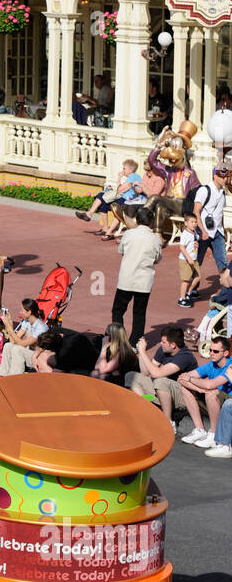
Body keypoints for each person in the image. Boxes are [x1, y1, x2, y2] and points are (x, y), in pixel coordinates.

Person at [110, 206, 163, 345]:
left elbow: (121, 250)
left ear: (137, 220)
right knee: (139, 313)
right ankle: (134, 344)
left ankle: (118, 339)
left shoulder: (128, 234)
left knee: (118, 310)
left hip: (126, 278)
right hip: (144, 280)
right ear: (151, 222)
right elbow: (158, 258)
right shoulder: (155, 239)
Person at [126, 325, 198, 425]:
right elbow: (145, 373)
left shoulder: (185, 356)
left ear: (173, 345)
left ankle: (168, 422)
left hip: (183, 397)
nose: (161, 343)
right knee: (131, 376)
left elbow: (156, 373)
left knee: (160, 381)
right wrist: (142, 353)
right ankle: (147, 404)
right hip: (164, 392)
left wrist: (142, 352)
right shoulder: (163, 350)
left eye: (164, 342)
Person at [177, 335, 232, 447]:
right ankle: (200, 430)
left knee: (212, 392)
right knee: (185, 388)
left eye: (215, 351)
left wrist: (192, 380)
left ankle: (213, 435)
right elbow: (181, 378)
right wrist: (200, 390)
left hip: (228, 405)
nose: (211, 353)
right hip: (214, 401)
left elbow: (210, 384)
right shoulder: (211, 364)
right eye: (210, 350)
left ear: (225, 353)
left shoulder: (230, 366)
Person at [76, 160, 143, 235]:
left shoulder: (133, 177)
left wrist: (119, 178)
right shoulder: (133, 177)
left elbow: (119, 190)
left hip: (127, 201)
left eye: (124, 168)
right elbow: (120, 190)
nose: (122, 170)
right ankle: (102, 226)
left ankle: (91, 215)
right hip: (123, 198)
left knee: (102, 197)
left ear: (130, 170)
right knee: (102, 202)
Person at [193, 166, 230, 277]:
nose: (225, 179)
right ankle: (192, 291)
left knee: (223, 263)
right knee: (197, 262)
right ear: (215, 176)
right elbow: (196, 211)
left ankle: (226, 290)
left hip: (218, 231)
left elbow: (219, 213)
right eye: (222, 177)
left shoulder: (222, 192)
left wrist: (222, 230)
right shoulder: (204, 190)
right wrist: (202, 231)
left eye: (227, 177)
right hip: (203, 230)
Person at [0, 299, 50, 376]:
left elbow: (22, 344)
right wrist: (10, 325)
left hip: (38, 356)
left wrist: (9, 328)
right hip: (29, 352)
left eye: (22, 310)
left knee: (17, 349)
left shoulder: (41, 327)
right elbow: (13, 341)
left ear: (29, 312)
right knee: (8, 346)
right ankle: (3, 375)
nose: (20, 312)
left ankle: (14, 378)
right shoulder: (26, 322)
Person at [177, 213, 201, 307]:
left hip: (194, 260)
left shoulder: (195, 232)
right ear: (186, 223)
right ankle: (182, 299)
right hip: (186, 260)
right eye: (191, 222)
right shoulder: (185, 234)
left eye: (195, 222)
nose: (194, 224)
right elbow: (181, 247)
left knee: (198, 277)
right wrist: (188, 257)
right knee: (186, 280)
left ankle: (188, 292)